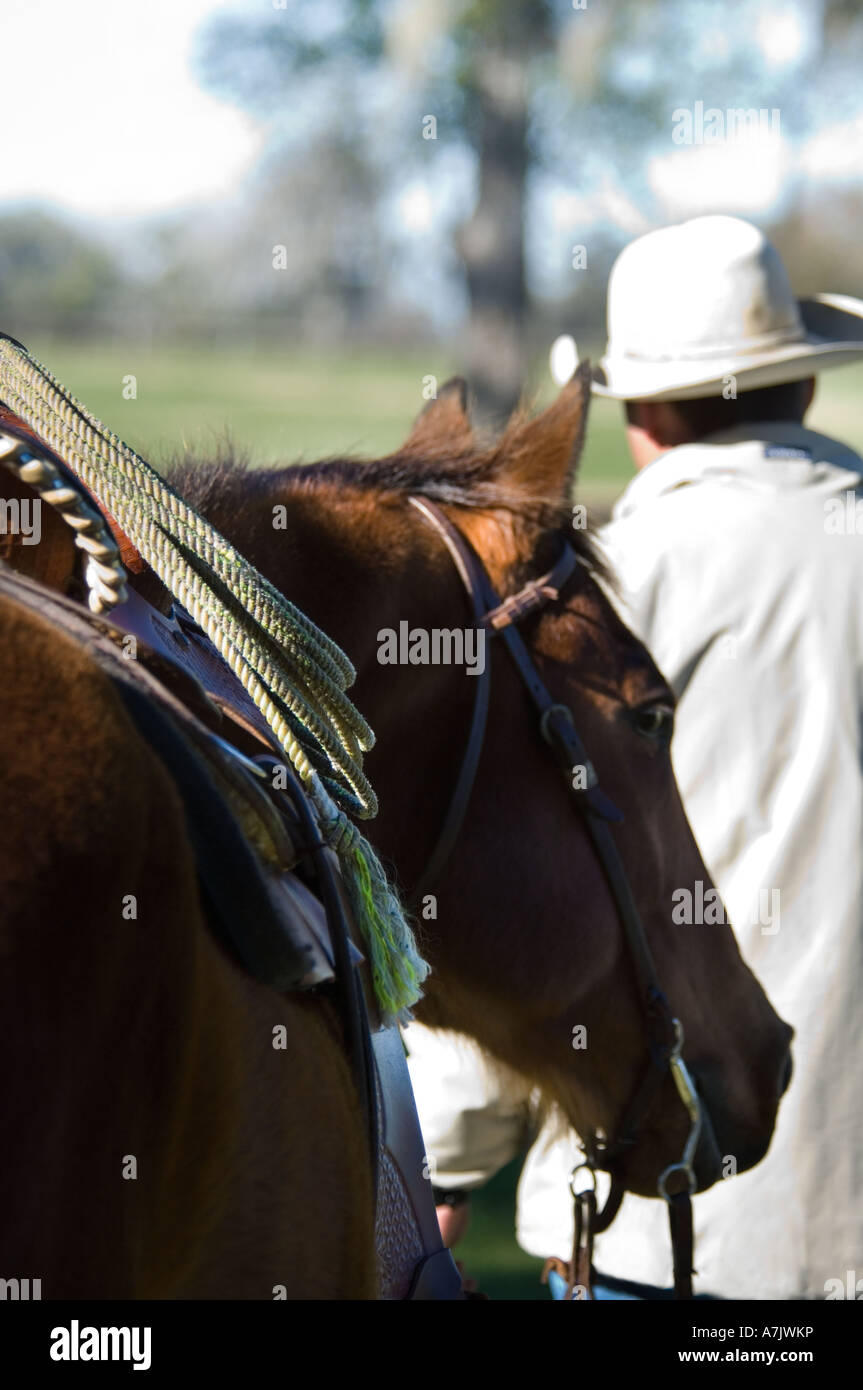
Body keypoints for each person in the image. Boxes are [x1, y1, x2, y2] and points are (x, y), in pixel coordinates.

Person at [404, 214, 863, 1299]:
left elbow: (516, 886)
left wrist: (449, 1149)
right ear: (798, 389)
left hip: (665, 1207)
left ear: (643, 413)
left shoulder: (593, 594)